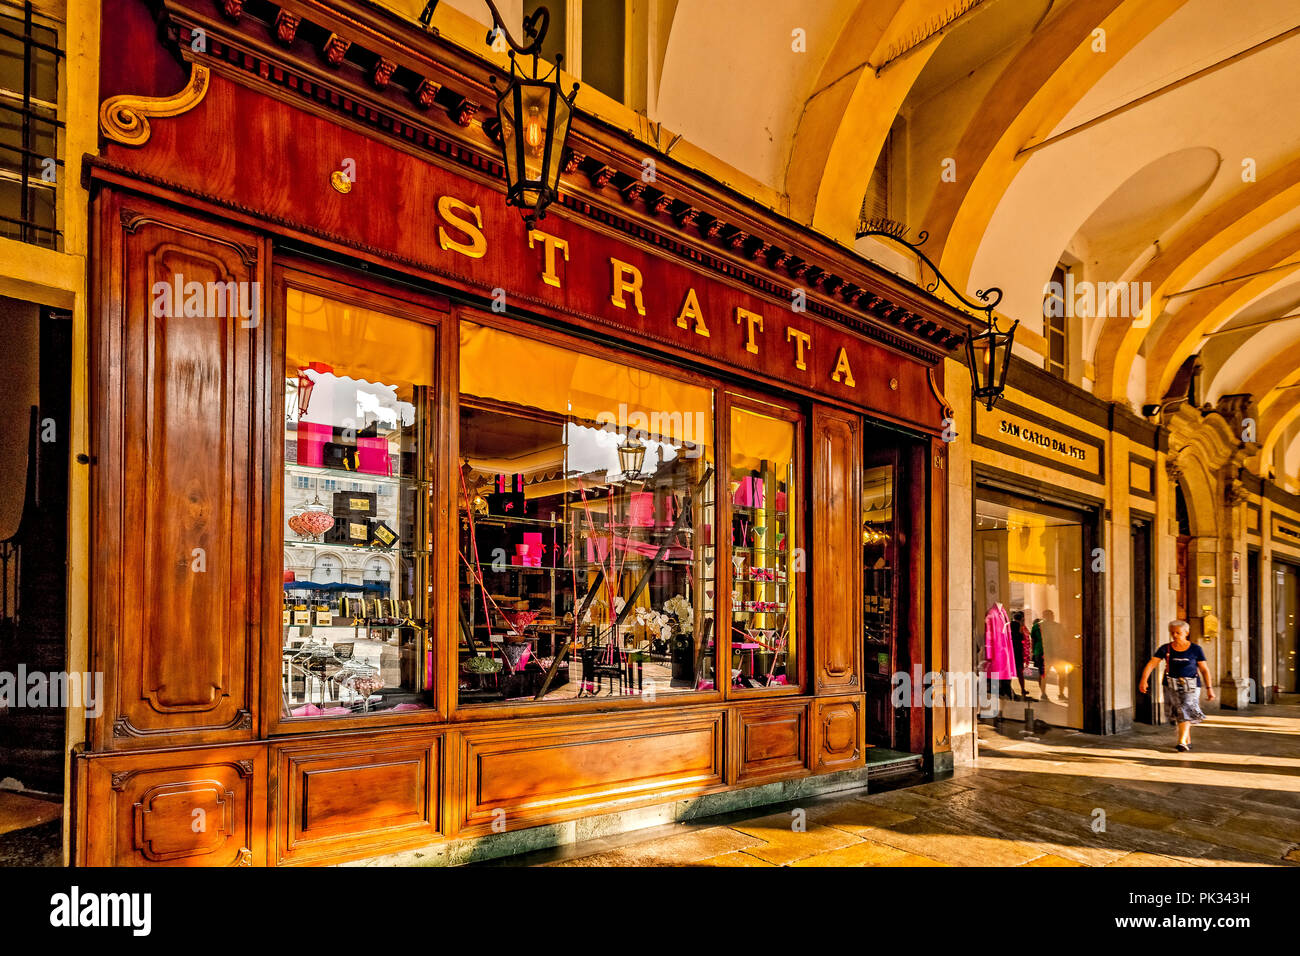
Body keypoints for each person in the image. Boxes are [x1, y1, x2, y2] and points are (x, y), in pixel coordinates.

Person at [1139, 620, 1214, 752]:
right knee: (1177, 712)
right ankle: (1187, 740)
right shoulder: (1165, 648)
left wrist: (1209, 689)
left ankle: (1181, 742)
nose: (1174, 635)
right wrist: (1144, 680)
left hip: (1191, 686)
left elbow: (1204, 670)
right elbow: (1152, 664)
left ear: (1186, 633)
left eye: (1178, 632)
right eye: (1172, 632)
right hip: (1170, 684)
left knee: (1185, 709)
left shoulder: (1196, 649)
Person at [1009, 610, 1032, 700]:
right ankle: (1022, 689)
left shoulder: (1009, 625)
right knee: (1020, 672)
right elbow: (1024, 635)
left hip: (1011, 651)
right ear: (1021, 619)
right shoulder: (1020, 626)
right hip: (1018, 651)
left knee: (1010, 671)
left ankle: (1010, 688)